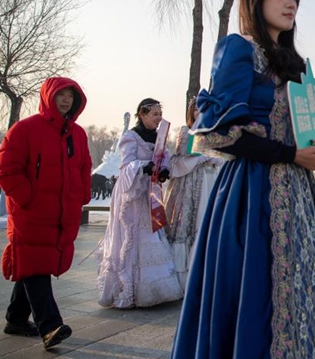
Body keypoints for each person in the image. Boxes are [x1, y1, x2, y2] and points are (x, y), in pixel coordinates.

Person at [170, 0, 315, 358]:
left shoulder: (295, 64)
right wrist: (289, 154)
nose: (290, 3)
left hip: (300, 195)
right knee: (256, 293)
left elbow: (302, 129)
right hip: (251, 195)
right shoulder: (239, 49)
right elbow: (216, 134)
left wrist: (314, 151)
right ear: (257, 0)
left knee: (306, 293)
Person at [0, 78, 91, 349]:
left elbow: (84, 167)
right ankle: (50, 326)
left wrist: (82, 196)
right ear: (48, 96)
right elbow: (7, 169)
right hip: (31, 213)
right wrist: (27, 198)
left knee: (37, 263)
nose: (65, 100)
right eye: (60, 95)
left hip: (62, 213)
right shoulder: (24, 129)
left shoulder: (78, 134)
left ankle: (16, 318)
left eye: (70, 96)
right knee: (36, 263)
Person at [97, 99, 182, 309]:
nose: (159, 118)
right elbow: (126, 166)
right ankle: (128, 289)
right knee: (132, 236)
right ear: (142, 114)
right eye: (155, 114)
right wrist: (144, 166)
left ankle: (155, 288)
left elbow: (166, 158)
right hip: (131, 195)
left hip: (150, 193)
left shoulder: (159, 137)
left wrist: (163, 169)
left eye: (160, 114)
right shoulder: (130, 137)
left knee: (152, 233)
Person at [162, 98, 223, 291]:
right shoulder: (186, 132)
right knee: (188, 222)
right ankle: (185, 277)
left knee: (208, 220)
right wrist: (200, 158)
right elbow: (180, 159)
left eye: (203, 110)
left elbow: (224, 158)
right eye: (196, 110)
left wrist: (213, 158)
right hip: (190, 183)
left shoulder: (216, 133)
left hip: (210, 181)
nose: (199, 113)